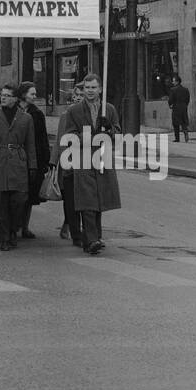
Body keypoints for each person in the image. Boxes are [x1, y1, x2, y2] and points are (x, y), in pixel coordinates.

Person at [59, 73, 121, 255]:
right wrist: (92, 136)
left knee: (99, 200)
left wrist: (108, 130)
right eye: (87, 88)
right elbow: (69, 137)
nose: (90, 91)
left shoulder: (108, 109)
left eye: (94, 87)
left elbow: (117, 132)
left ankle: (94, 238)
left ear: (100, 89)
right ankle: (92, 239)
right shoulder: (74, 111)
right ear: (83, 90)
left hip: (102, 158)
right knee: (87, 201)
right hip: (83, 159)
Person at [0, 84, 36, 250]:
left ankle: (13, 230)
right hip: (0, 162)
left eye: (7, 95)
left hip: (18, 162)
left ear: (15, 98)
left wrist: (32, 166)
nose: (3, 98)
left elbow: (31, 144)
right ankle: (5, 237)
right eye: (2, 95)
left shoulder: (26, 118)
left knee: (19, 200)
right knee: (1, 202)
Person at [18, 82, 52, 239]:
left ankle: (24, 226)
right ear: (23, 94)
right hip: (15, 157)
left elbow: (42, 138)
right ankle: (12, 226)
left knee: (29, 196)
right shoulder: (13, 110)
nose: (34, 96)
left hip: (33, 158)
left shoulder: (37, 114)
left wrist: (45, 161)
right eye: (32, 93)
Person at [58, 82, 84, 242]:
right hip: (69, 161)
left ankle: (75, 226)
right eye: (77, 95)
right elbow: (62, 139)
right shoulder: (67, 115)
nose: (79, 98)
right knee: (70, 198)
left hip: (86, 161)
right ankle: (72, 227)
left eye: (82, 95)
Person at [167, 76, 191, 143]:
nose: (173, 82)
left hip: (176, 107)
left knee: (175, 123)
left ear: (177, 82)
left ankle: (177, 138)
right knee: (183, 121)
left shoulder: (173, 89)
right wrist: (185, 105)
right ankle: (185, 132)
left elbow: (171, 99)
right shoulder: (186, 89)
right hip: (183, 107)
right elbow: (188, 99)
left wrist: (170, 105)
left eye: (174, 81)